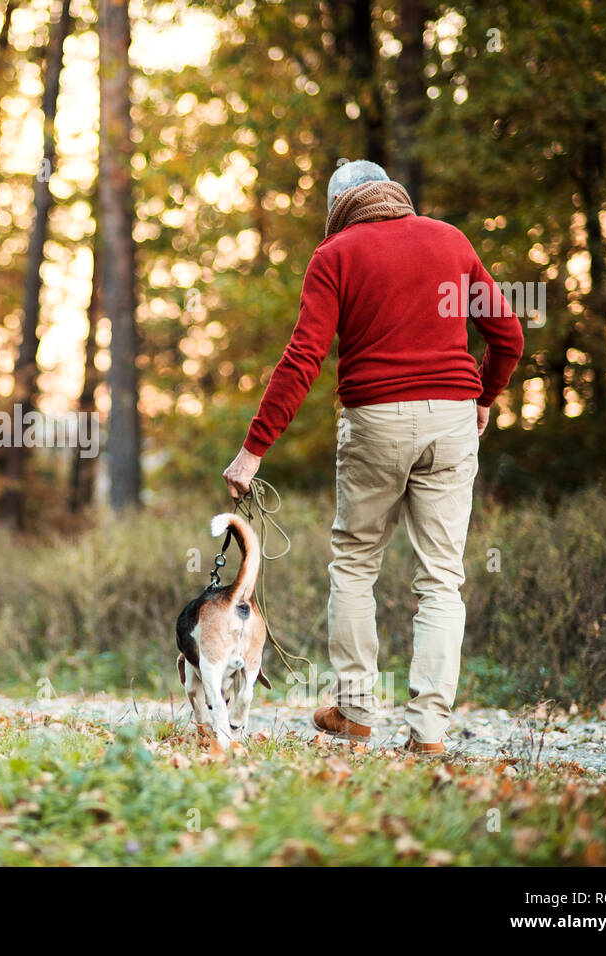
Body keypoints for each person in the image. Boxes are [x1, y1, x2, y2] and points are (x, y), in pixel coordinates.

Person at [221, 160, 525, 754]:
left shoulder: (335, 254)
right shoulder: (451, 240)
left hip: (375, 420)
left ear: (339, 208)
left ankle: (356, 713)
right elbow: (508, 334)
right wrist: (482, 396)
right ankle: (430, 732)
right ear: (391, 194)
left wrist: (253, 450)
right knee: (442, 577)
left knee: (356, 564)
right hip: (453, 420)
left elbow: (304, 357)